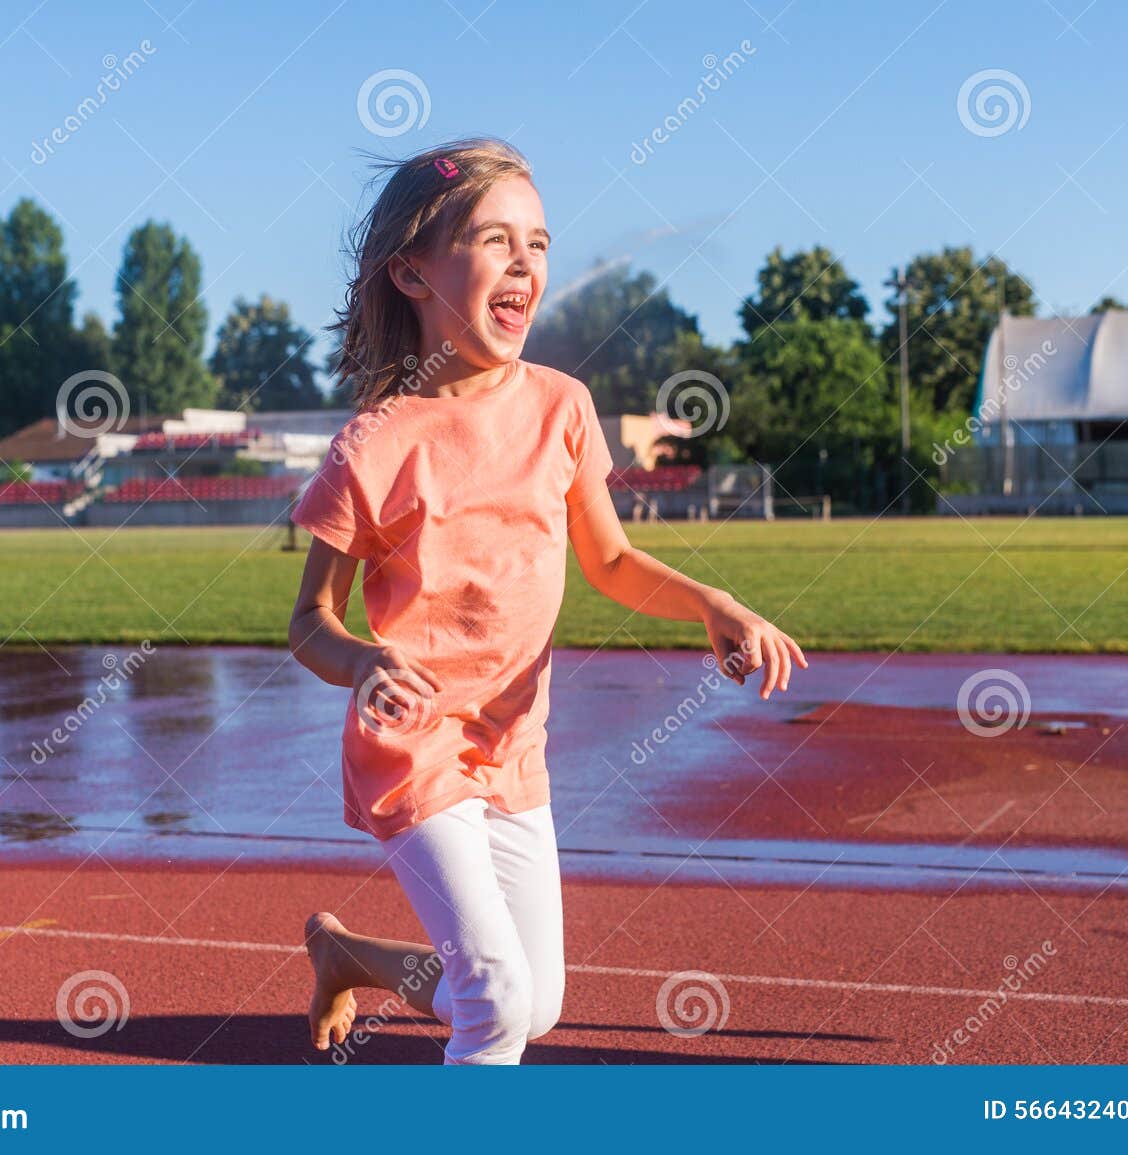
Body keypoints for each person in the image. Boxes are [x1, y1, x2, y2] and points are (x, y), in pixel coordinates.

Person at [288, 138, 805, 1065]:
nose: (525, 260)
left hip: (513, 744)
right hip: (415, 747)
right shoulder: (373, 445)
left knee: (535, 1003)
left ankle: (348, 954)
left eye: (539, 241)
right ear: (411, 271)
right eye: (494, 239)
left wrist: (710, 602)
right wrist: (362, 660)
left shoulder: (564, 406)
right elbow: (308, 624)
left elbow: (610, 560)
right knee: (492, 1003)